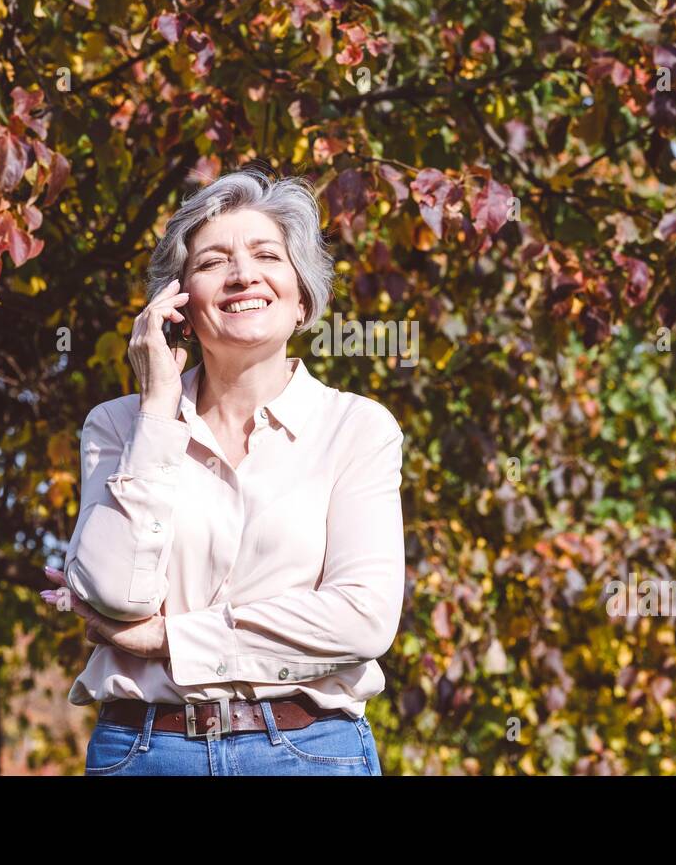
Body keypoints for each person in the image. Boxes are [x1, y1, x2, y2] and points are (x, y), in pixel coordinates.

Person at [40, 167, 406, 775]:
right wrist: (158, 410)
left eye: (267, 255)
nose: (242, 275)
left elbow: (363, 619)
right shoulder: (117, 425)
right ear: (177, 301)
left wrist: (168, 641)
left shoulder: (358, 429)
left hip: (306, 751)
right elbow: (111, 594)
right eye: (212, 262)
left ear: (302, 296)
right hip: (145, 752)